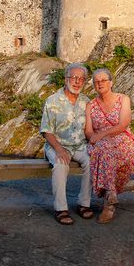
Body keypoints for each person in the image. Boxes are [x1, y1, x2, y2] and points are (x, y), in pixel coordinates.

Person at [39, 62, 94, 225]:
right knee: (61, 163)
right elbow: (46, 130)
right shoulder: (53, 100)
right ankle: (61, 209)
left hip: (80, 145)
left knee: (92, 161)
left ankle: (84, 204)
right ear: (66, 79)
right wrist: (59, 149)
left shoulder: (86, 101)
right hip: (57, 144)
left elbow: (91, 127)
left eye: (81, 79)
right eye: (73, 78)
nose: (77, 82)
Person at [85, 67, 134, 224]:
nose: (100, 83)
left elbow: (123, 125)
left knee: (105, 149)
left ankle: (109, 197)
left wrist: (101, 135)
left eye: (103, 80)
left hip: (122, 140)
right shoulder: (91, 105)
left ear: (111, 82)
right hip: (101, 144)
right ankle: (109, 201)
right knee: (105, 149)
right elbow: (88, 131)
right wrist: (97, 138)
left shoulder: (123, 99)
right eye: (96, 81)